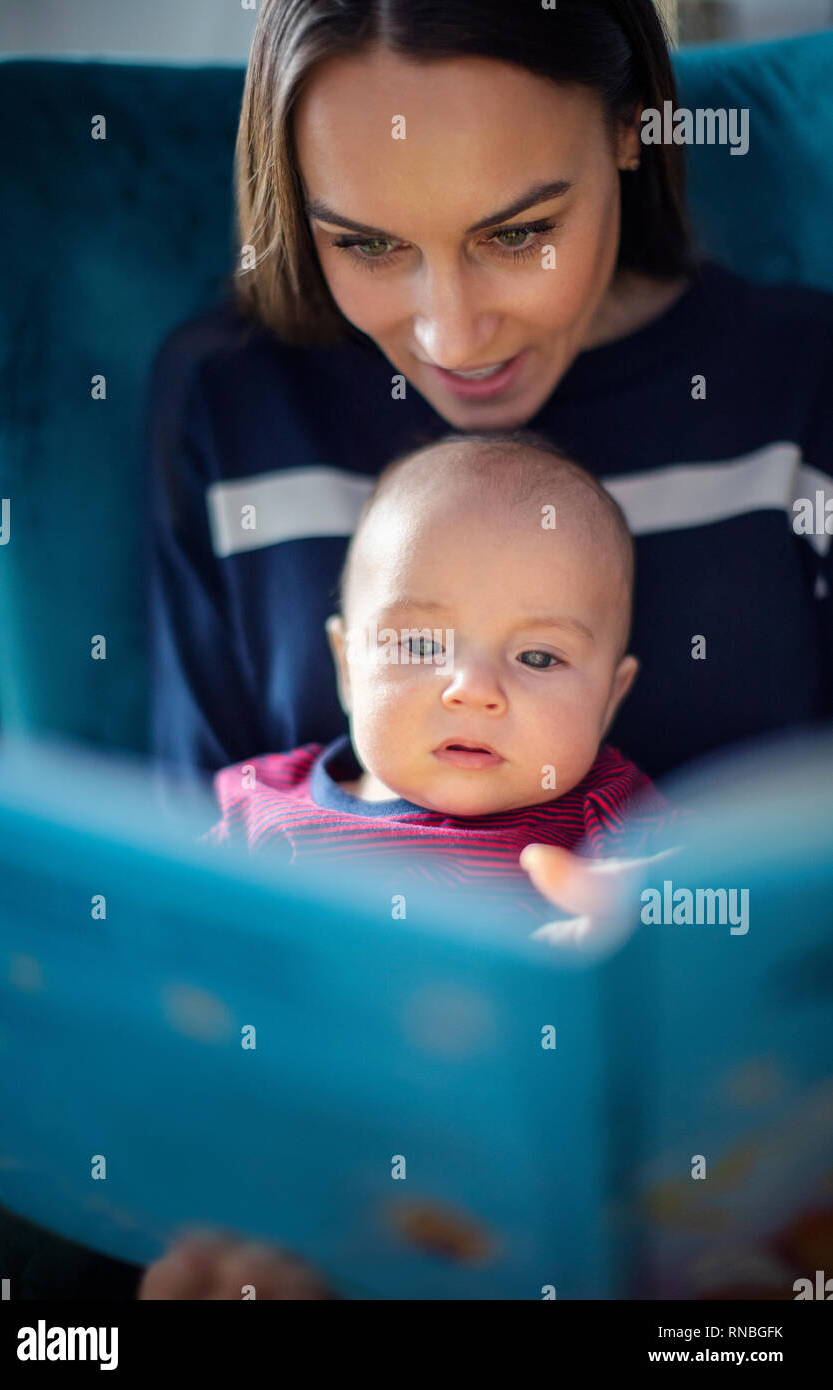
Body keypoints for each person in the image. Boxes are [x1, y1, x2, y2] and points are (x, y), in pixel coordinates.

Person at [138, 0, 832, 1297]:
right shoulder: (227, 404)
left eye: (517, 231)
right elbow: (190, 917)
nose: (451, 336)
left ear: (634, 130)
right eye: (365, 243)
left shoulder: (802, 387)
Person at [209, 430, 678, 930]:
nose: (474, 690)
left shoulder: (607, 811)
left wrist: (648, 910)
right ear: (347, 669)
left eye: (538, 657)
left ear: (609, 698)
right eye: (421, 646)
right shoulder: (262, 805)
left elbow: (737, 906)